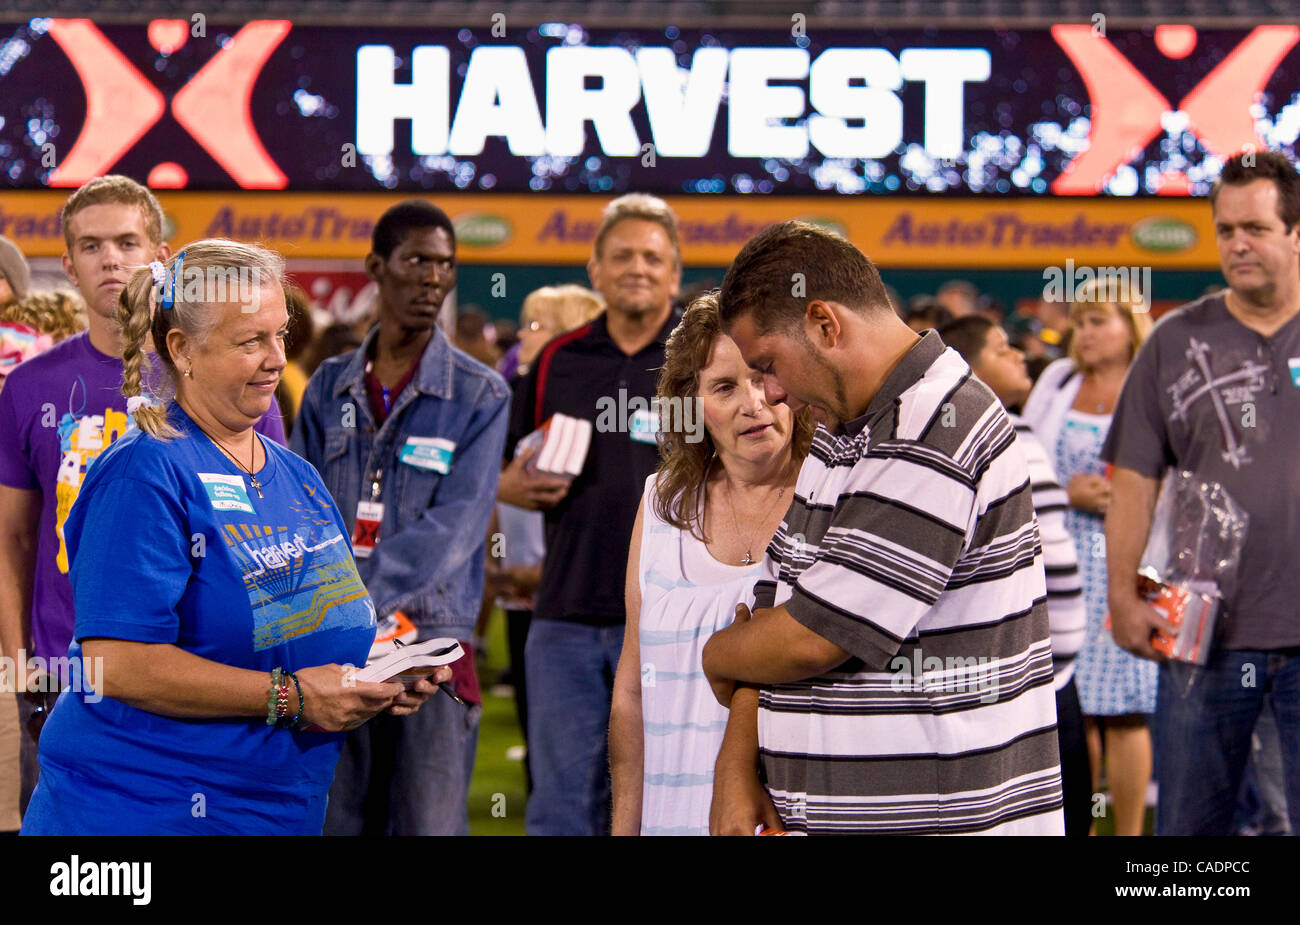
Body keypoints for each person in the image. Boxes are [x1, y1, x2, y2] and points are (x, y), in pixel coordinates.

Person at [19, 240, 447, 834]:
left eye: (280, 333)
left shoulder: (295, 475)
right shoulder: (144, 472)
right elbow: (113, 664)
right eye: (251, 341)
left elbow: (289, 626)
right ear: (182, 350)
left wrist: (376, 675)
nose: (277, 357)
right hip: (141, 811)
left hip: (276, 809)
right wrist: (291, 698)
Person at [704, 221, 1063, 835]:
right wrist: (738, 768)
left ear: (825, 324)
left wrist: (714, 655)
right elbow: (773, 605)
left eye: (767, 364)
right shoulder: (849, 426)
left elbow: (809, 639)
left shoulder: (936, 427)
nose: (771, 394)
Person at [0, 176, 284, 820]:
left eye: (127, 241)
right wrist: (20, 667)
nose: (112, 259)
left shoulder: (228, 381)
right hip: (67, 675)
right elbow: (13, 539)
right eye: (92, 245)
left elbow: (267, 539)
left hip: (197, 673)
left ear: (160, 252)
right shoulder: (27, 387)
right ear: (68, 264)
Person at [292, 200, 509, 836]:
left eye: (444, 265)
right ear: (376, 268)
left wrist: (350, 599)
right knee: (336, 821)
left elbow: (458, 527)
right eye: (416, 261)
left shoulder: (481, 392)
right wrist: (330, 616)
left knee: (427, 824)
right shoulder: (328, 386)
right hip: (338, 647)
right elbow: (300, 516)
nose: (432, 279)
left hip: (429, 646)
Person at [1104, 149, 1300, 836]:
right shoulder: (1174, 341)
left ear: (1296, 233)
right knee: (1187, 838)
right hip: (1201, 638)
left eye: (1255, 228)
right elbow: (1132, 478)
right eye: (1225, 230)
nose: (1237, 244)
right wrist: (1121, 595)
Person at [498, 193, 683, 836]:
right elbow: (502, 470)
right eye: (622, 255)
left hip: (675, 622)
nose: (638, 268)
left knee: (664, 806)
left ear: (674, 274)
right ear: (596, 270)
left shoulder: (705, 356)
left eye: (653, 257)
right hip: (567, 614)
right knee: (559, 807)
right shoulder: (557, 359)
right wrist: (511, 487)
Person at [609, 293, 812, 835]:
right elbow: (633, 688)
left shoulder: (835, 494)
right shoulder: (660, 502)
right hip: (670, 817)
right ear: (691, 406)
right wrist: (626, 826)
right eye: (724, 387)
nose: (754, 403)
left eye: (764, 375)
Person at [940, 315, 1090, 836]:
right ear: (968, 367)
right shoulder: (971, 437)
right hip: (1024, 676)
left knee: (1074, 811)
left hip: (1062, 673)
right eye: (1003, 349)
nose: (1020, 356)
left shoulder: (1021, 424)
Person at [1022, 282, 1153, 836]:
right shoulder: (1057, 380)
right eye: (1081, 320)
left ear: (1130, 326)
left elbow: (1178, 467)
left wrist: (1131, 496)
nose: (1086, 331)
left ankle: (1127, 836)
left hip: (1130, 556)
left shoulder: (1153, 387)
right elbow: (1022, 453)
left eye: (1100, 320)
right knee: (1073, 709)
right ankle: (1082, 825)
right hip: (1059, 559)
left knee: (1125, 708)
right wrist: (1064, 494)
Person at [489, 283, 604, 790]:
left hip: (561, 595)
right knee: (542, 736)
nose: (523, 335)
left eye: (537, 326)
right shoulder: (522, 404)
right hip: (522, 593)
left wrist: (540, 570)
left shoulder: (582, 421)